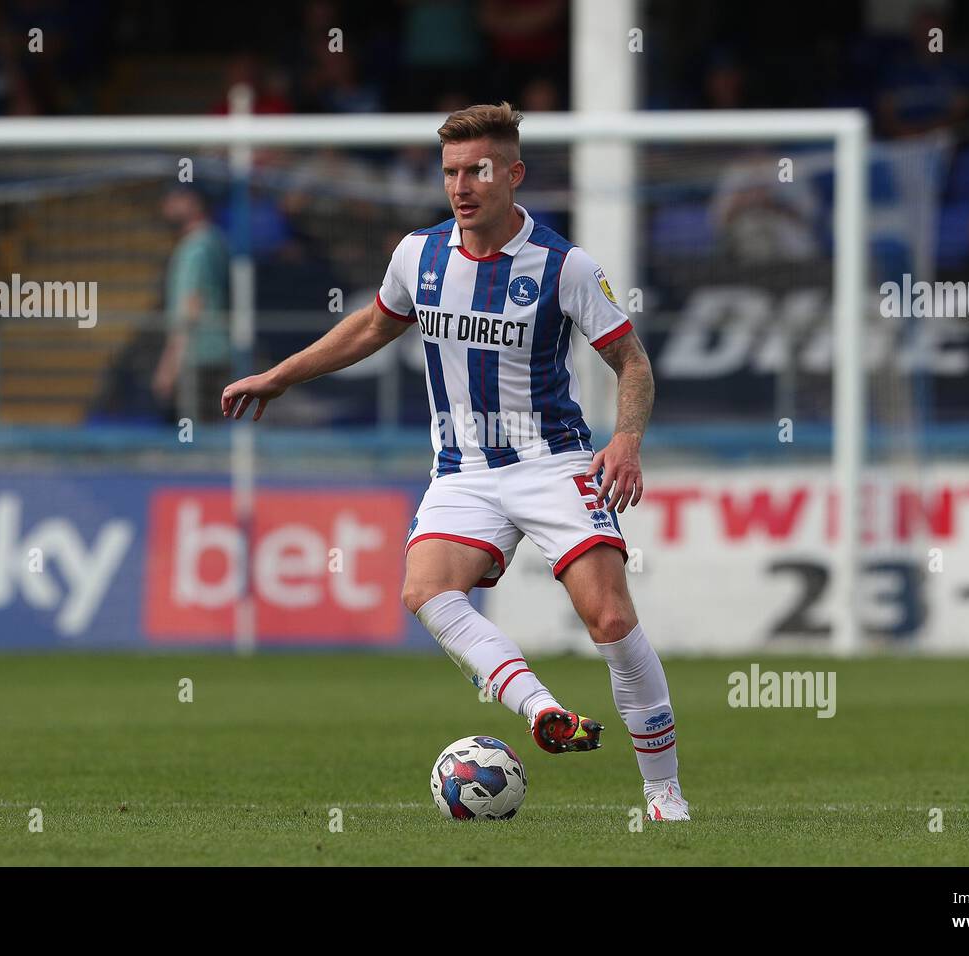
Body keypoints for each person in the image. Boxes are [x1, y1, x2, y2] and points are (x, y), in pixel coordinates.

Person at [221, 103, 688, 821]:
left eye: (478, 170)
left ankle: (663, 794)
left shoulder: (564, 266)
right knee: (425, 590)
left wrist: (626, 438)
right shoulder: (419, 254)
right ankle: (540, 711)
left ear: (514, 175)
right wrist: (280, 376)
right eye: (450, 172)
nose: (462, 186)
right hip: (462, 469)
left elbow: (632, 362)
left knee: (610, 620)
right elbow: (375, 323)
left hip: (551, 461)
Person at [153, 185, 229, 422]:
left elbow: (192, 306)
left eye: (175, 199)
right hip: (210, 353)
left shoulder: (197, 246)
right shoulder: (212, 240)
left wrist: (170, 363)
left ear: (195, 203)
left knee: (197, 437)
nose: (167, 206)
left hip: (199, 356)